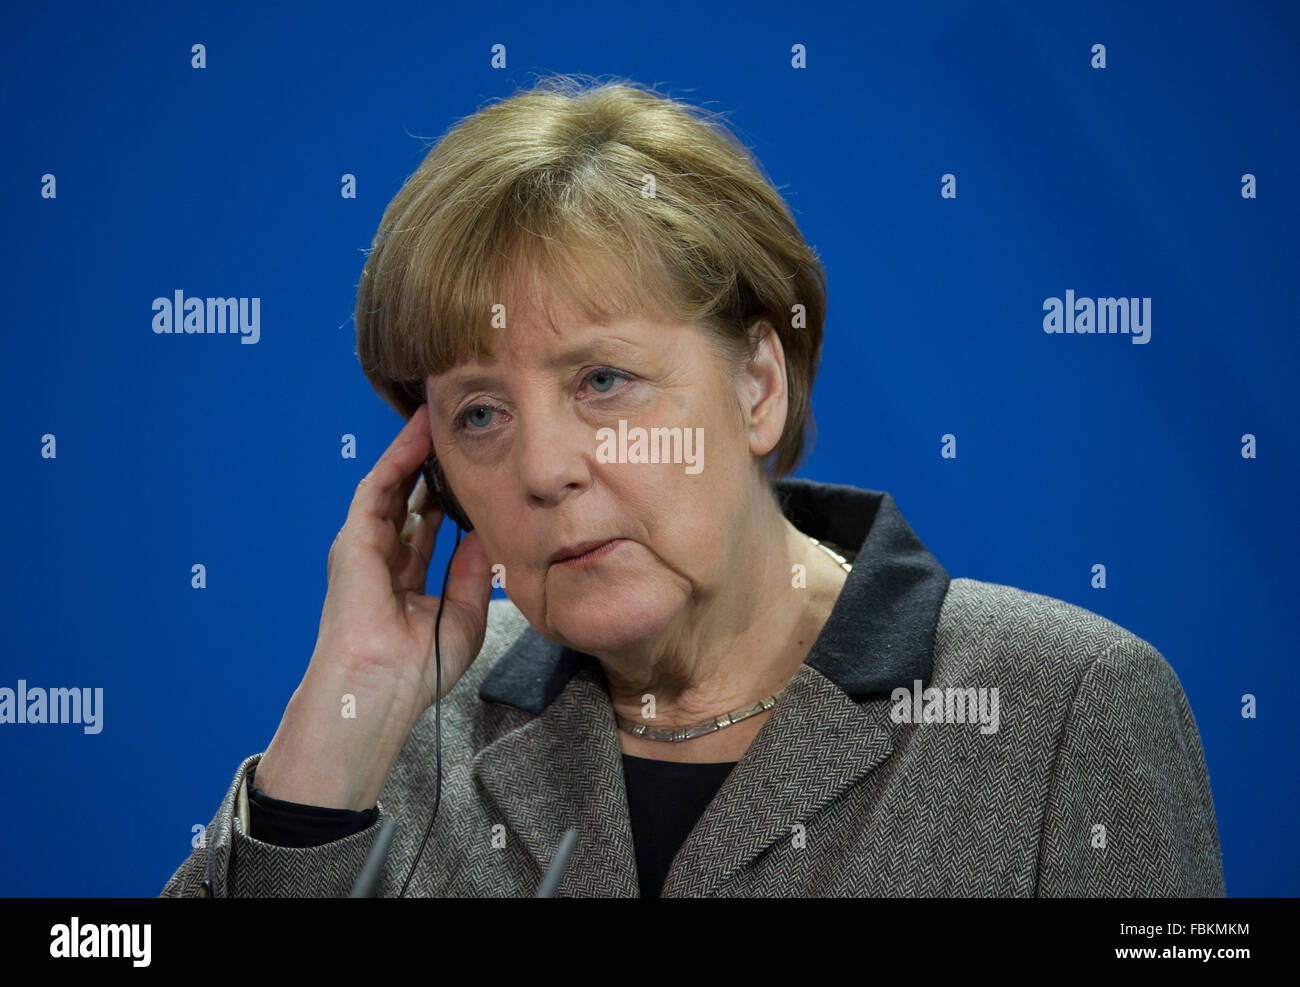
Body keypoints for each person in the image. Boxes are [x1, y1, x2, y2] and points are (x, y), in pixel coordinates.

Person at [161, 73, 1224, 898]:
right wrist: (331, 748)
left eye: (603, 381)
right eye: (478, 414)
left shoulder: (1065, 705)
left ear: (757, 385)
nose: (542, 468)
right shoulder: (403, 722)